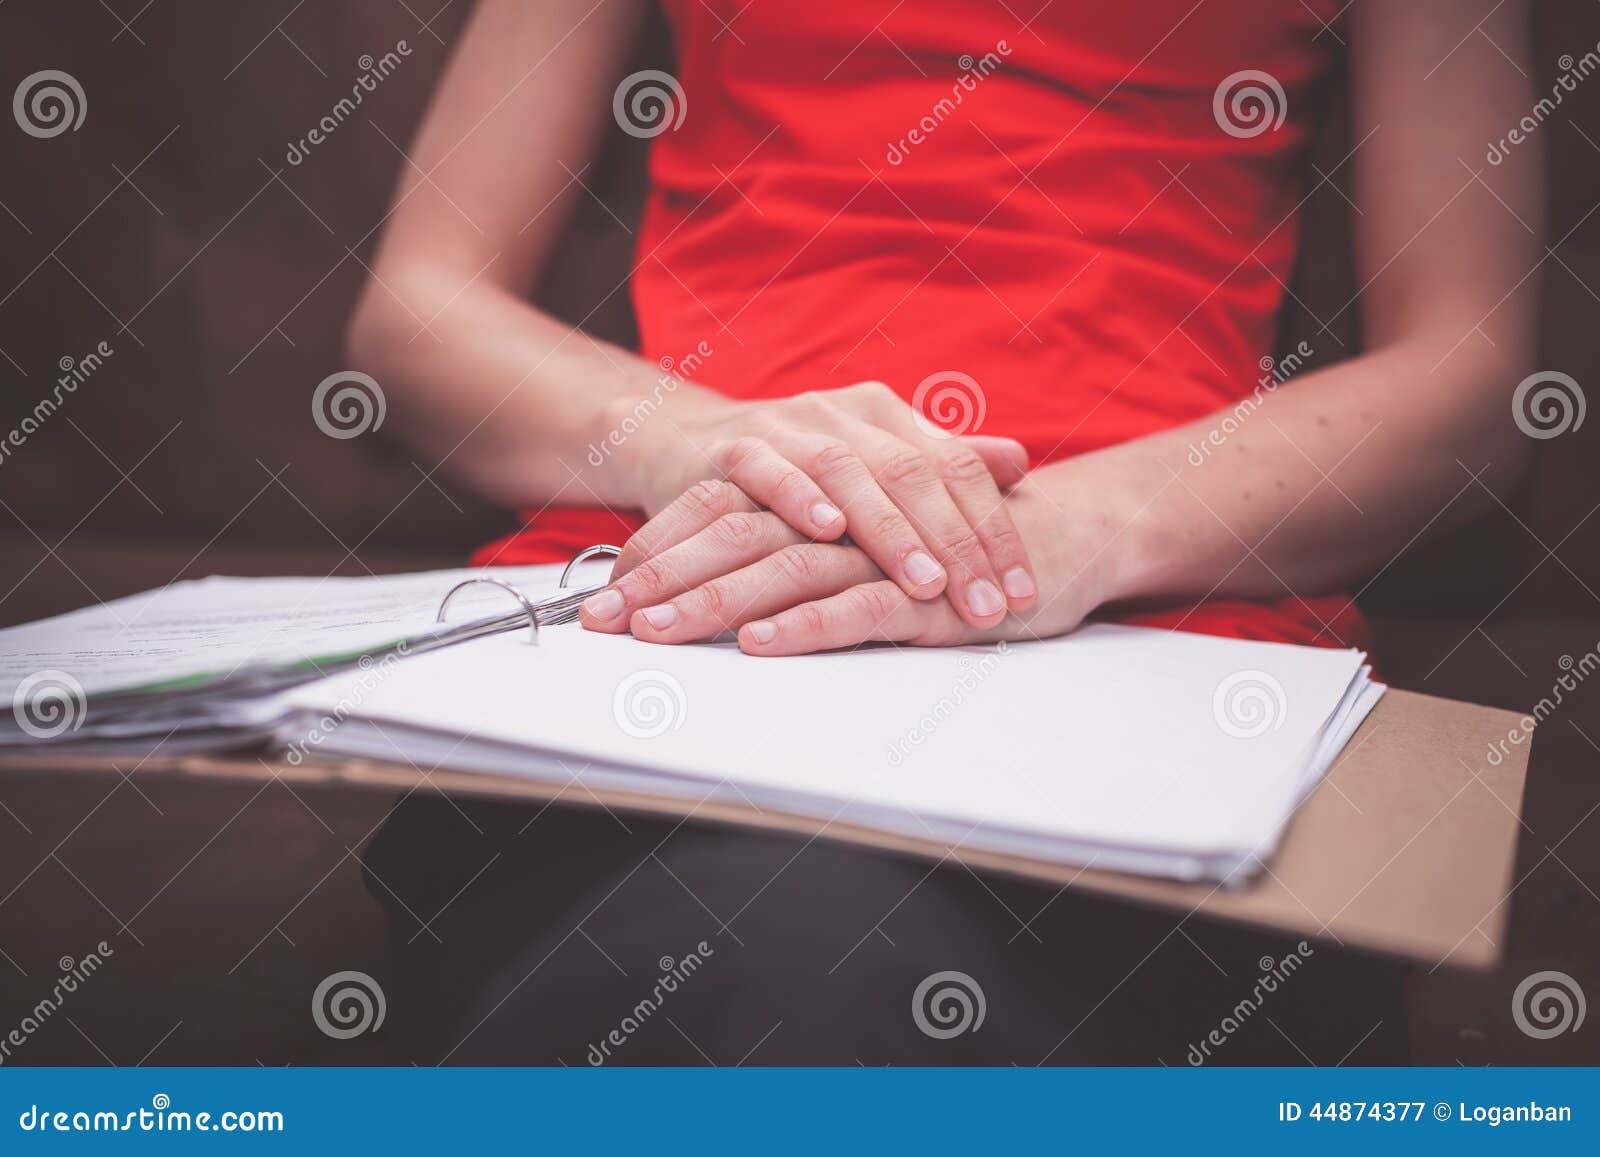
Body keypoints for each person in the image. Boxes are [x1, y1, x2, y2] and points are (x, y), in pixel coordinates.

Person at [349, 0, 1540, 1063]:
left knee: (797, 966)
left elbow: (1475, 386)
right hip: (684, 583)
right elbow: (416, 316)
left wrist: (1050, 533)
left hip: (1164, 616)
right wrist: (707, 446)